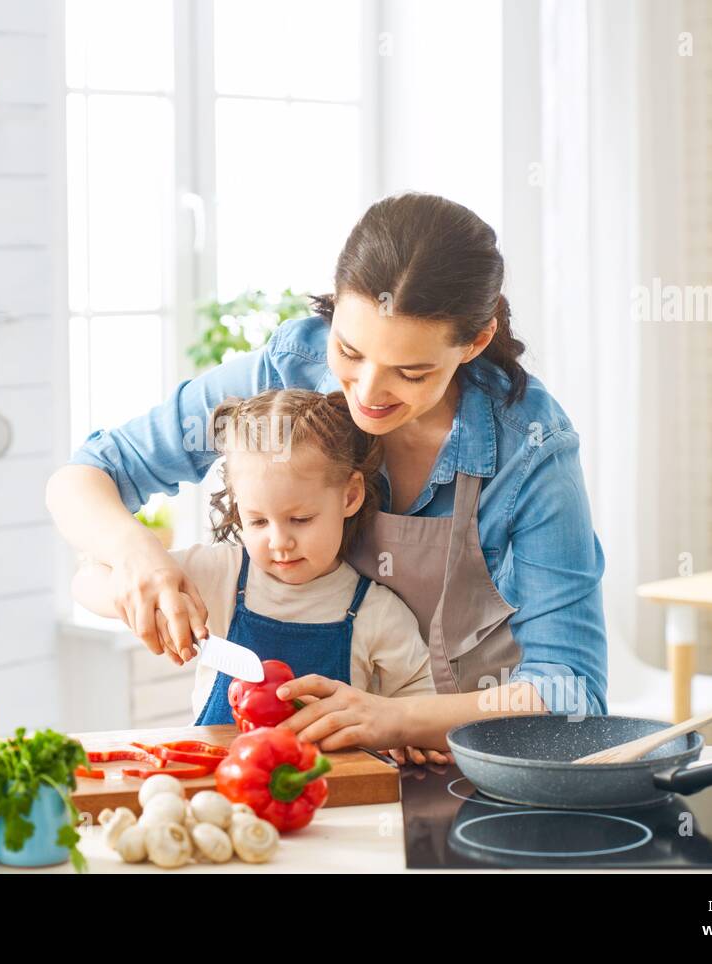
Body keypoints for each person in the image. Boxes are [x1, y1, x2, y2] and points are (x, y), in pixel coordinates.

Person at [47, 192, 608, 761]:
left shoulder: (530, 444)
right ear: (335, 305)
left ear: (476, 341)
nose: (366, 392)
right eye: (350, 349)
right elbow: (86, 475)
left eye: (411, 372)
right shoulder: (286, 373)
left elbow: (572, 692)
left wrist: (397, 718)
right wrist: (138, 555)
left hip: (461, 767)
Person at [71, 389, 433, 728]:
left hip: (335, 789)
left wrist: (406, 737)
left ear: (350, 496)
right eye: (257, 520)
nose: (279, 542)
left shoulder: (377, 611)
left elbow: (420, 697)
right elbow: (85, 580)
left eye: (300, 519)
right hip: (218, 785)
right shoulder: (220, 574)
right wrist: (147, 597)